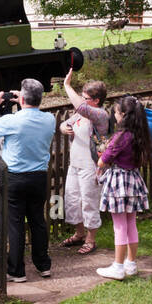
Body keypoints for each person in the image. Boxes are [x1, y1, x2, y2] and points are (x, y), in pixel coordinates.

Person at [0, 78, 56, 283]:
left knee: (15, 224)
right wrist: (23, 100)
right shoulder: (50, 119)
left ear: (21, 98)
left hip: (15, 177)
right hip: (39, 177)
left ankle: (17, 271)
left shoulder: (12, 121)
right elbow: (31, 111)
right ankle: (43, 265)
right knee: (37, 221)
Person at [96, 95, 152, 280]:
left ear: (123, 115)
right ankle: (131, 263)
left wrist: (103, 153)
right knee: (131, 223)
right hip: (134, 180)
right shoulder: (141, 134)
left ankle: (118, 267)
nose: (114, 116)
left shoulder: (120, 136)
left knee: (119, 226)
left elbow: (102, 162)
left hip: (119, 182)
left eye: (116, 113)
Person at [58, 69, 109, 254]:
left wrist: (67, 85)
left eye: (85, 97)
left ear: (96, 101)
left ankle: (91, 238)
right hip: (75, 164)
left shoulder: (100, 115)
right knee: (72, 199)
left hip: (90, 165)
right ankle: (79, 234)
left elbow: (80, 108)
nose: (81, 100)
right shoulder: (81, 114)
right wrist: (64, 128)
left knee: (89, 201)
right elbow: (65, 123)